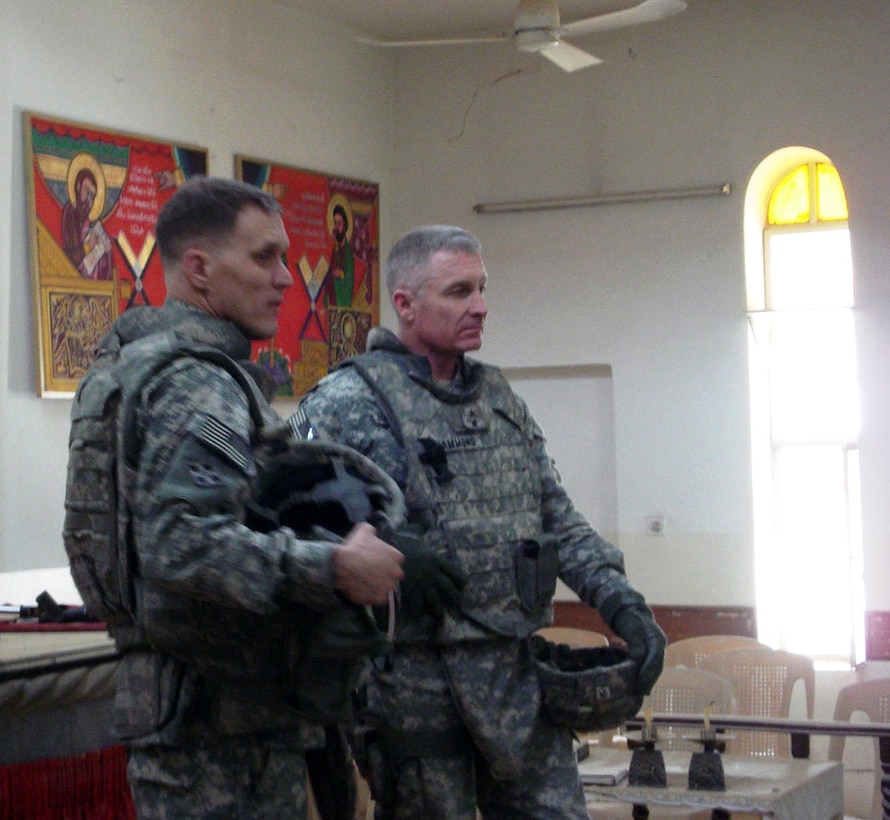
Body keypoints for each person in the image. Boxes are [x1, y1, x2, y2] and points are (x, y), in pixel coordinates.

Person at [295, 225, 667, 819]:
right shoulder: (344, 401)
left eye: (482, 288)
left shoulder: (500, 399)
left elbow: (555, 515)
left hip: (518, 679)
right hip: (416, 686)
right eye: (459, 291)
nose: (481, 306)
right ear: (405, 304)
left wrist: (623, 604)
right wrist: (384, 551)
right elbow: (292, 523)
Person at [94, 177, 405, 818]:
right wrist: (334, 567)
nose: (287, 279)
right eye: (264, 257)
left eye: (286, 257)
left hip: (203, 713)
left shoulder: (133, 361)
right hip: (219, 727)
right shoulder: (198, 386)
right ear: (202, 269)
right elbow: (180, 543)